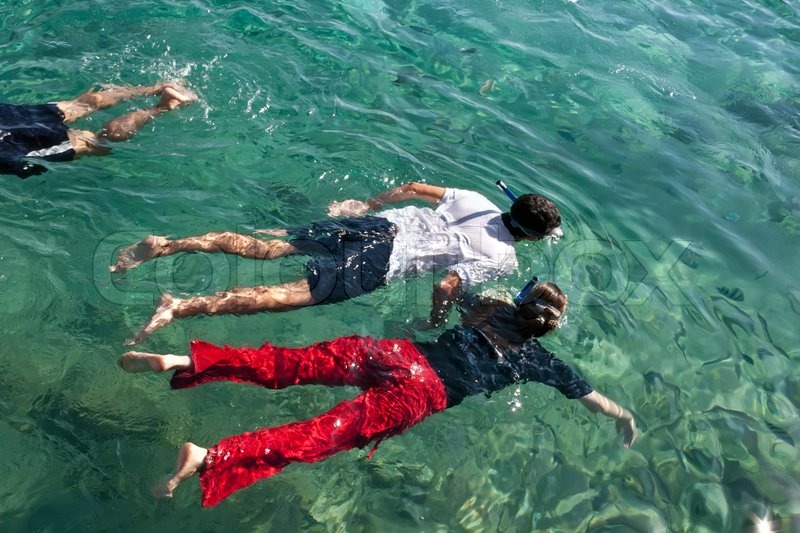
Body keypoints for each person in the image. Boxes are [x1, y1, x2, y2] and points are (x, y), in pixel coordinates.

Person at [118, 280, 637, 507]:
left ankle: (186, 360)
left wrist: (436, 317)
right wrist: (624, 416)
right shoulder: (541, 361)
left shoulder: (489, 309)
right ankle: (208, 456)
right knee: (313, 436)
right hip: (420, 394)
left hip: (397, 353)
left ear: (520, 301)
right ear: (549, 328)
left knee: (288, 364)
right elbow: (595, 399)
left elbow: (449, 288)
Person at [111, 182, 563, 344]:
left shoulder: (478, 199)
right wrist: (435, 321)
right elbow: (446, 285)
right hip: (384, 260)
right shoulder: (502, 257)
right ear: (531, 236)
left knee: (267, 247)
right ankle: (179, 306)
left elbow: (410, 188)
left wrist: (364, 205)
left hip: (378, 224)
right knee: (285, 296)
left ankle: (168, 245)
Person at [1, 82, 197, 178]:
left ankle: (163, 106)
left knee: (96, 141)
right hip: (7, 116)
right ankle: (157, 87)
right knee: (78, 105)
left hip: (9, 148)